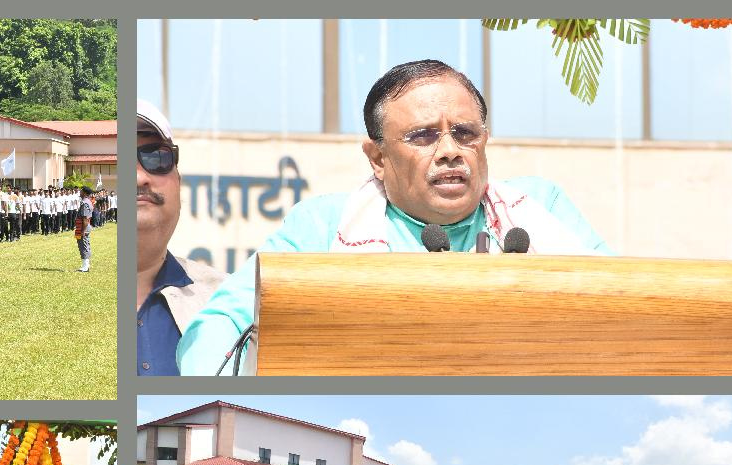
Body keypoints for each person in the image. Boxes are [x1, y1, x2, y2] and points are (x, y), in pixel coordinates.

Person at [177, 59, 614, 375]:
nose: (448, 150)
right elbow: (219, 328)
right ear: (378, 157)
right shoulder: (322, 226)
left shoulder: (539, 209)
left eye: (465, 133)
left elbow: (620, 302)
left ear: (484, 140)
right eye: (423, 136)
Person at [74, 187, 96, 273]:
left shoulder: (85, 203)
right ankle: (85, 265)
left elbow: (85, 219)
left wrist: (82, 231)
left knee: (83, 245)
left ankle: (85, 267)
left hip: (83, 227)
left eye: (81, 191)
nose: (80, 192)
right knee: (83, 245)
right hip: (82, 226)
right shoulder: (88, 202)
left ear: (85, 193)